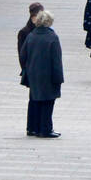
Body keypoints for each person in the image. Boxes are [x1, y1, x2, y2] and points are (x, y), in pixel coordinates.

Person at [21, 10, 64, 138]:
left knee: (35, 100)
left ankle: (33, 128)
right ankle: (45, 129)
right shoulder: (52, 37)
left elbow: (23, 55)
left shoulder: (31, 36)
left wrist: (28, 68)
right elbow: (56, 60)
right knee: (48, 101)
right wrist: (59, 78)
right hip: (49, 75)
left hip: (33, 74)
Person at [18, 2, 44, 70]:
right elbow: (22, 55)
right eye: (35, 16)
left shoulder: (47, 32)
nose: (37, 19)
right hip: (30, 71)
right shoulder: (24, 32)